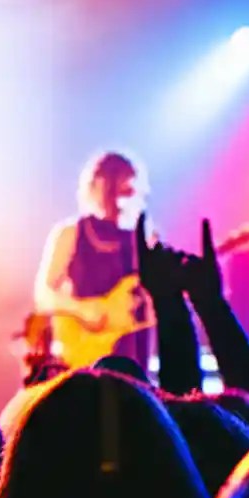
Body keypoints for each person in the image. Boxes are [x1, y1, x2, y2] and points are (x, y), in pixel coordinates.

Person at [34, 151, 153, 369]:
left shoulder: (141, 240)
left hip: (130, 356)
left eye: (132, 192)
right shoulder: (70, 233)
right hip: (81, 356)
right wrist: (81, 309)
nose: (128, 198)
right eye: (123, 190)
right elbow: (43, 296)